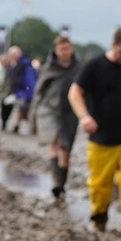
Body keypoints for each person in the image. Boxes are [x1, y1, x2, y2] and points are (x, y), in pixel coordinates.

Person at [68, 28, 121, 233]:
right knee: (100, 184)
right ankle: (99, 217)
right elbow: (74, 93)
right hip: (100, 137)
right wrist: (84, 116)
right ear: (113, 45)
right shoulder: (95, 66)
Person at [34, 36, 81, 198]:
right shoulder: (48, 68)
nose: (65, 52)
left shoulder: (79, 68)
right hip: (51, 110)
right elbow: (39, 92)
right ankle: (56, 181)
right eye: (62, 49)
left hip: (71, 112)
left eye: (67, 48)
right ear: (56, 51)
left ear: (71, 49)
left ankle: (62, 182)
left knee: (66, 148)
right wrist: (33, 115)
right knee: (54, 143)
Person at [7, 47, 37, 134]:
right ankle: (24, 126)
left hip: (25, 93)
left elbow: (22, 80)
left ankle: (32, 128)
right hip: (27, 92)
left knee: (24, 110)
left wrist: (16, 90)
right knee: (23, 110)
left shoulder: (21, 65)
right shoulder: (26, 64)